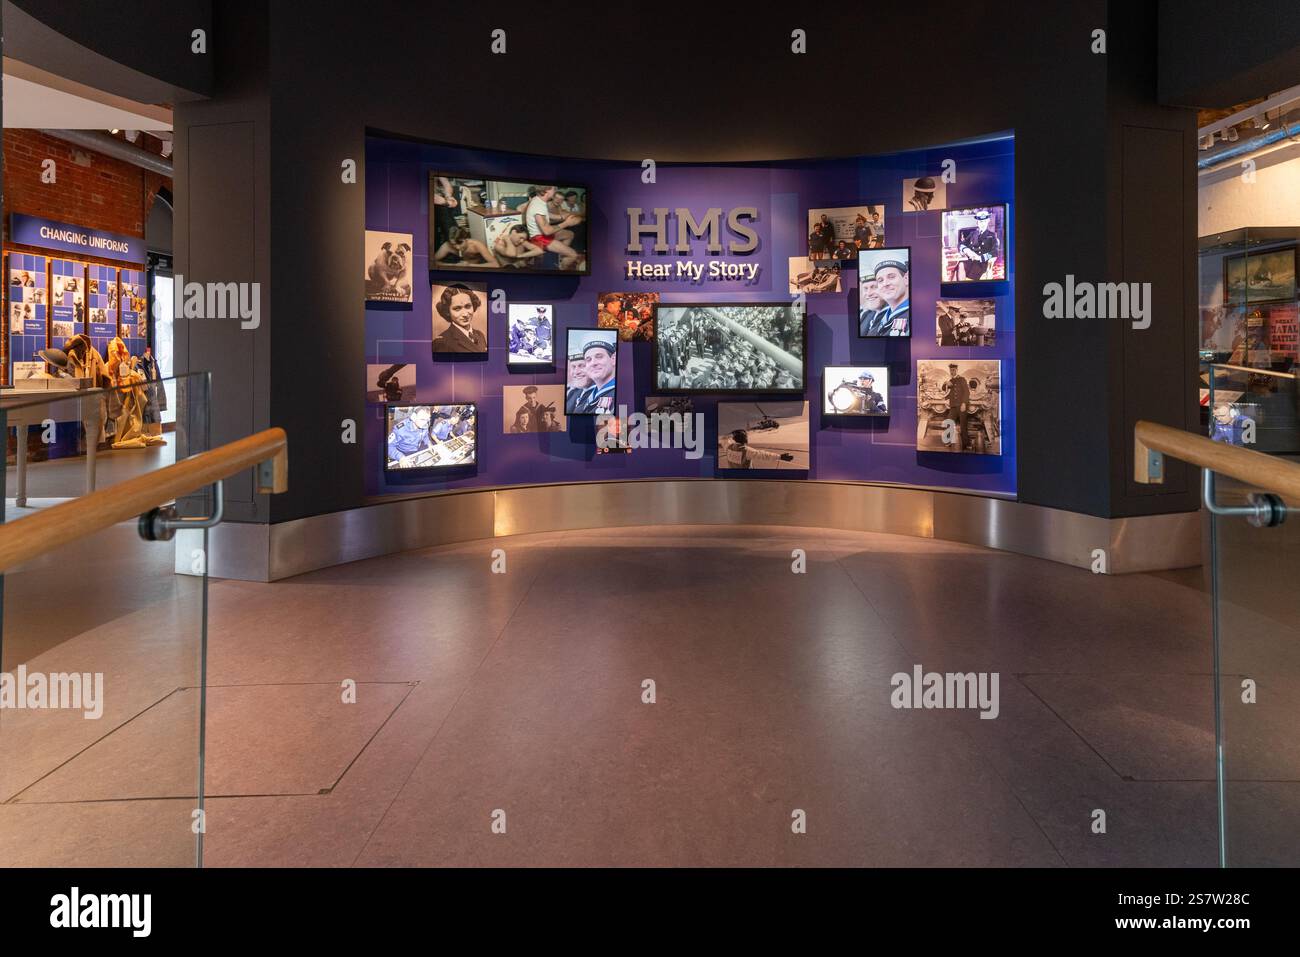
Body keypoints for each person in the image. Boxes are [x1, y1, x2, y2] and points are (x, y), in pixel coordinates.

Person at [525, 185, 585, 270]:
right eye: (554, 188)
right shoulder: (538, 206)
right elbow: (547, 231)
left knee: (569, 234)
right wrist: (566, 223)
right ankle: (560, 270)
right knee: (573, 255)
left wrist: (561, 217)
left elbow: (546, 214)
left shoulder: (539, 199)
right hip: (538, 238)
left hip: (542, 234)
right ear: (547, 190)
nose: (555, 190)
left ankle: (559, 258)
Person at [432, 284, 487, 352]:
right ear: (447, 312)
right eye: (457, 309)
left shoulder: (480, 335)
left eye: (468, 306)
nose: (465, 314)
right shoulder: (441, 342)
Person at [571, 340, 616, 414]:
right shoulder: (588, 397)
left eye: (599, 357)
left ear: (613, 359)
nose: (593, 363)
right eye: (588, 360)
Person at [867, 258, 910, 336]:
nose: (885, 284)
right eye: (880, 280)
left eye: (891, 277)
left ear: (906, 279)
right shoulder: (880, 318)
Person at [956, 209, 1001, 280]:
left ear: (988, 222)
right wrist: (966, 250)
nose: (982, 224)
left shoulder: (992, 236)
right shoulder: (973, 234)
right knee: (960, 264)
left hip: (982, 263)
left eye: (984, 222)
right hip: (971, 261)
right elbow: (961, 244)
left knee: (967, 272)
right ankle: (961, 286)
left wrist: (980, 258)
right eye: (980, 222)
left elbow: (995, 252)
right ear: (977, 223)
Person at [719, 429, 795, 468]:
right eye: (746, 436)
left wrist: (732, 434)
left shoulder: (728, 447)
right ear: (745, 438)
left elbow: (723, 439)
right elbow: (763, 455)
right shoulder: (746, 451)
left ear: (734, 439)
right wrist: (780, 457)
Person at [433, 226, 498, 267]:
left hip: (476, 268)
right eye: (453, 245)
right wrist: (453, 265)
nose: (457, 247)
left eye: (459, 243)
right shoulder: (447, 246)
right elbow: (431, 261)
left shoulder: (476, 245)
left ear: (466, 239)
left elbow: (495, 264)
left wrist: (469, 265)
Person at [945, 363, 971, 450]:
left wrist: (964, 403)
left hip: (961, 406)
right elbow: (944, 389)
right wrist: (946, 384)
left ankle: (966, 444)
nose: (952, 372)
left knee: (963, 425)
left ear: (956, 370)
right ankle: (948, 441)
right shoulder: (950, 381)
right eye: (950, 370)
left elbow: (967, 392)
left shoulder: (962, 379)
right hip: (953, 407)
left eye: (953, 370)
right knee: (949, 422)